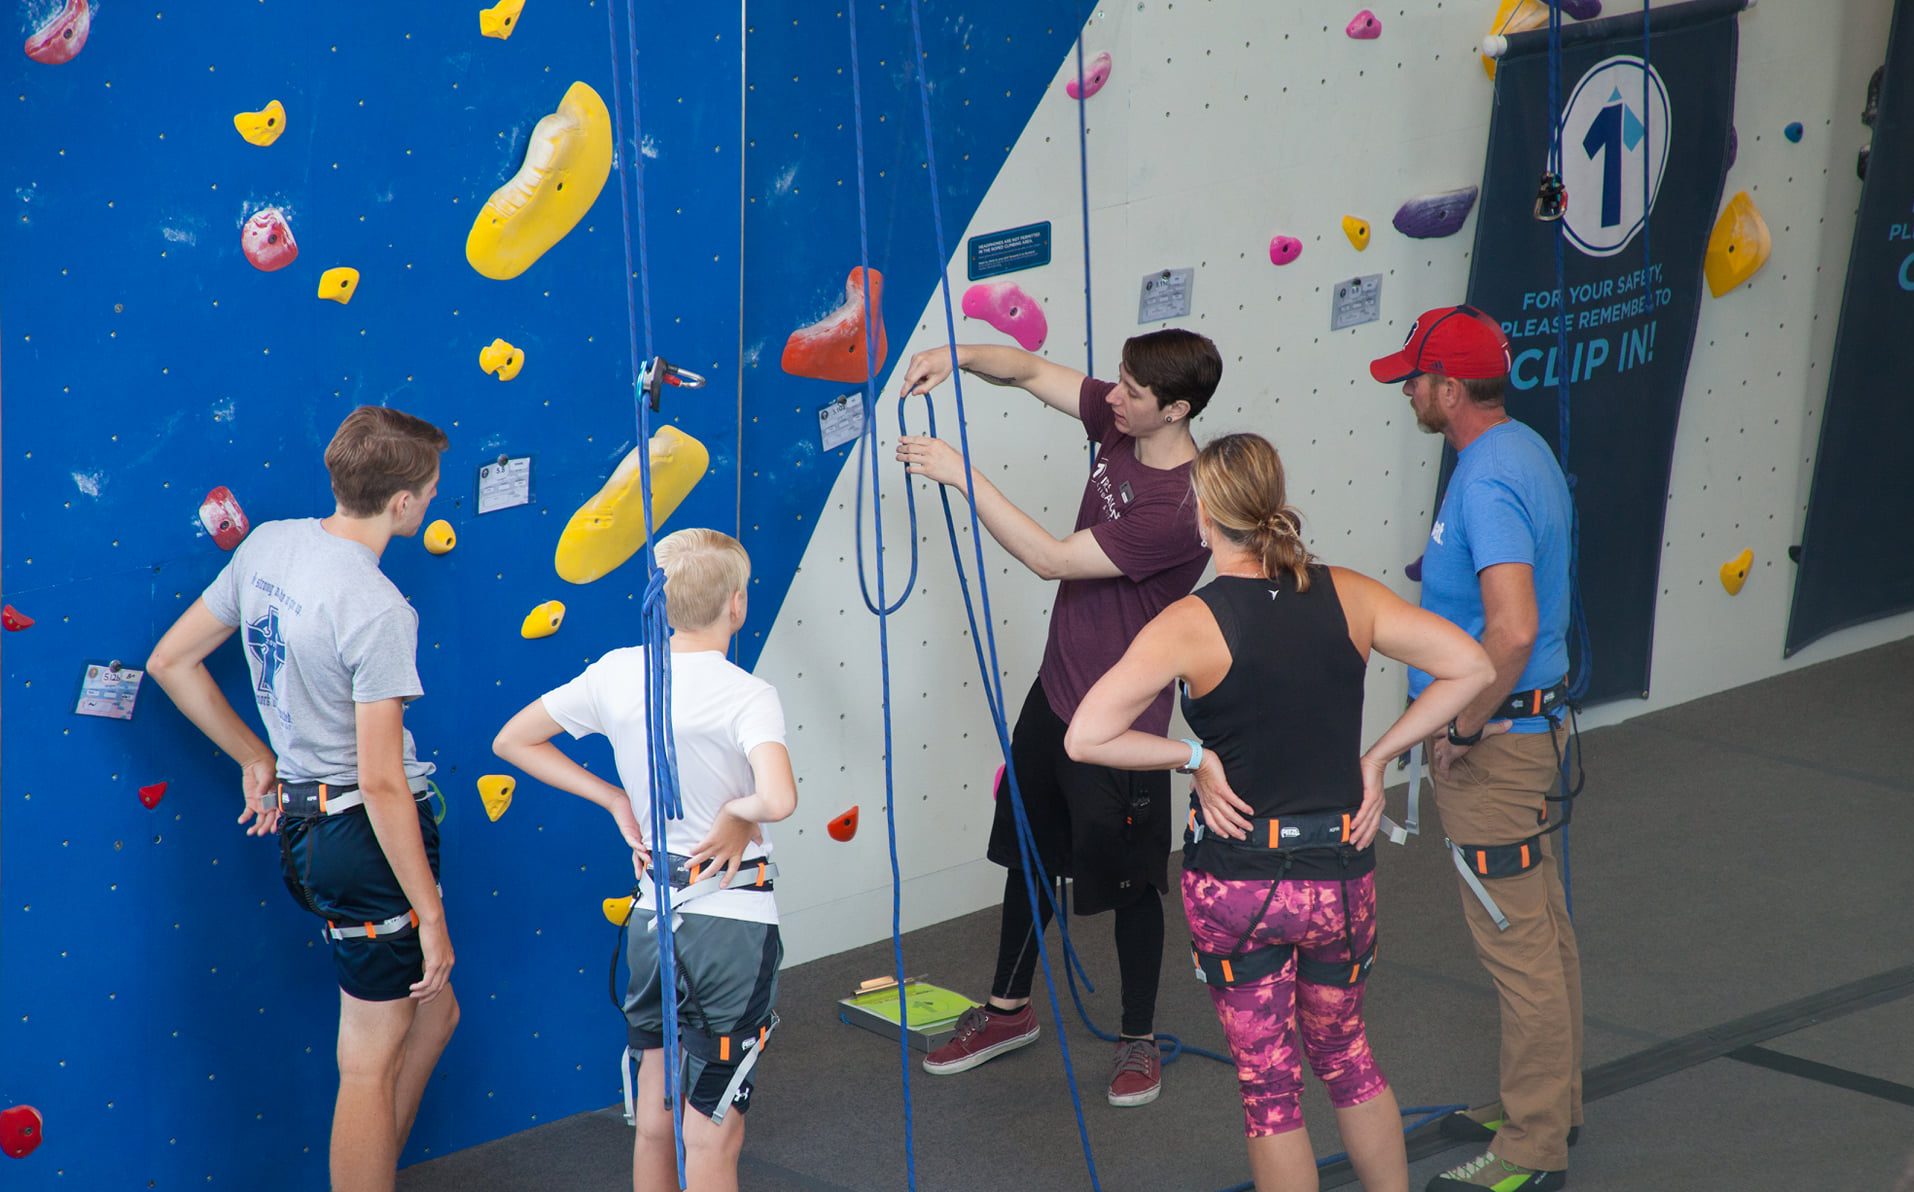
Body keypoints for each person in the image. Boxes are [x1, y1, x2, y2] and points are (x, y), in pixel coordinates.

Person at [1066, 432, 1495, 1192]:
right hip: (1338, 875)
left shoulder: (1188, 623)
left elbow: (1085, 735)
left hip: (1239, 886)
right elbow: (1472, 664)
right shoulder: (1351, 594)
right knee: (1348, 1055)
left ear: (1203, 512)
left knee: (1271, 1090)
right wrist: (1379, 756)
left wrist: (1192, 760)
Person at [892, 330, 1220, 1107]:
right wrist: (958, 355)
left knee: (1133, 886)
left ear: (1175, 408)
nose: (1114, 396)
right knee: (1029, 858)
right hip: (1055, 695)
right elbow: (1032, 369)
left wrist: (960, 474)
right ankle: (1008, 1011)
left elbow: (1050, 557)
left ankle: (1138, 1037)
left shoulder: (1181, 507)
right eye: (1120, 382)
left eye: (1134, 392)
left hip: (1118, 725)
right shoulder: (1121, 419)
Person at [146, 406, 457, 1192]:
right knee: (368, 1062)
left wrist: (259, 755)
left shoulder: (269, 545)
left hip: (314, 829)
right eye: (431, 488)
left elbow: (171, 660)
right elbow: (384, 781)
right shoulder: (379, 609)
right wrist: (432, 913)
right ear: (405, 503)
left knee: (435, 1016)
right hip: (364, 837)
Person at [492, 528, 796, 1192]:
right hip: (730, 930)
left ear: (656, 604)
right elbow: (778, 797)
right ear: (737, 605)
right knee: (711, 1133)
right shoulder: (748, 693)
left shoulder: (614, 672)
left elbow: (513, 740)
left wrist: (613, 801)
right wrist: (739, 812)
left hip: (653, 926)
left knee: (657, 1118)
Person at [1370, 306, 1583, 1192]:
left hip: (1498, 748)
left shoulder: (1488, 481)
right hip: (1531, 731)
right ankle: (1549, 1102)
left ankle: (1533, 1146)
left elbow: (1511, 628)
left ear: (1450, 389)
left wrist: (1458, 726)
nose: (1408, 392)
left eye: (1414, 381)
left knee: (1516, 942)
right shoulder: (1519, 448)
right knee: (1543, 928)